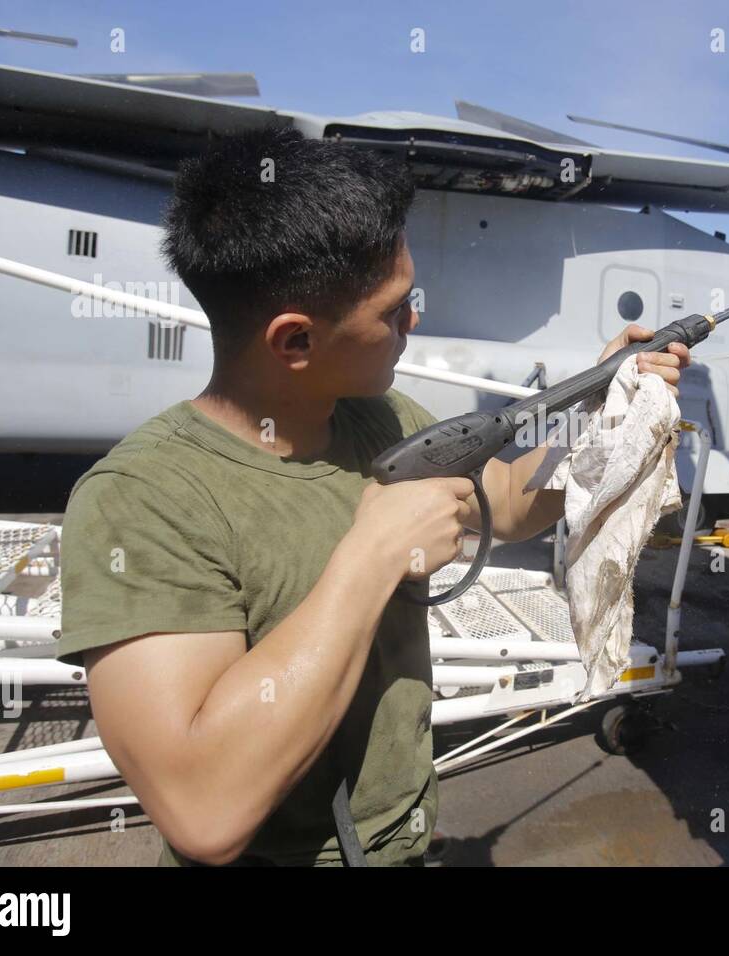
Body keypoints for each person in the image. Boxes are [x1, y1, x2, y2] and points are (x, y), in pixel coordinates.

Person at [56, 126, 689, 866]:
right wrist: (374, 553)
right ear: (294, 342)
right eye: (392, 312)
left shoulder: (379, 421)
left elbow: (507, 502)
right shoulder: (144, 501)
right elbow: (204, 808)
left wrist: (596, 403)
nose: (412, 322)